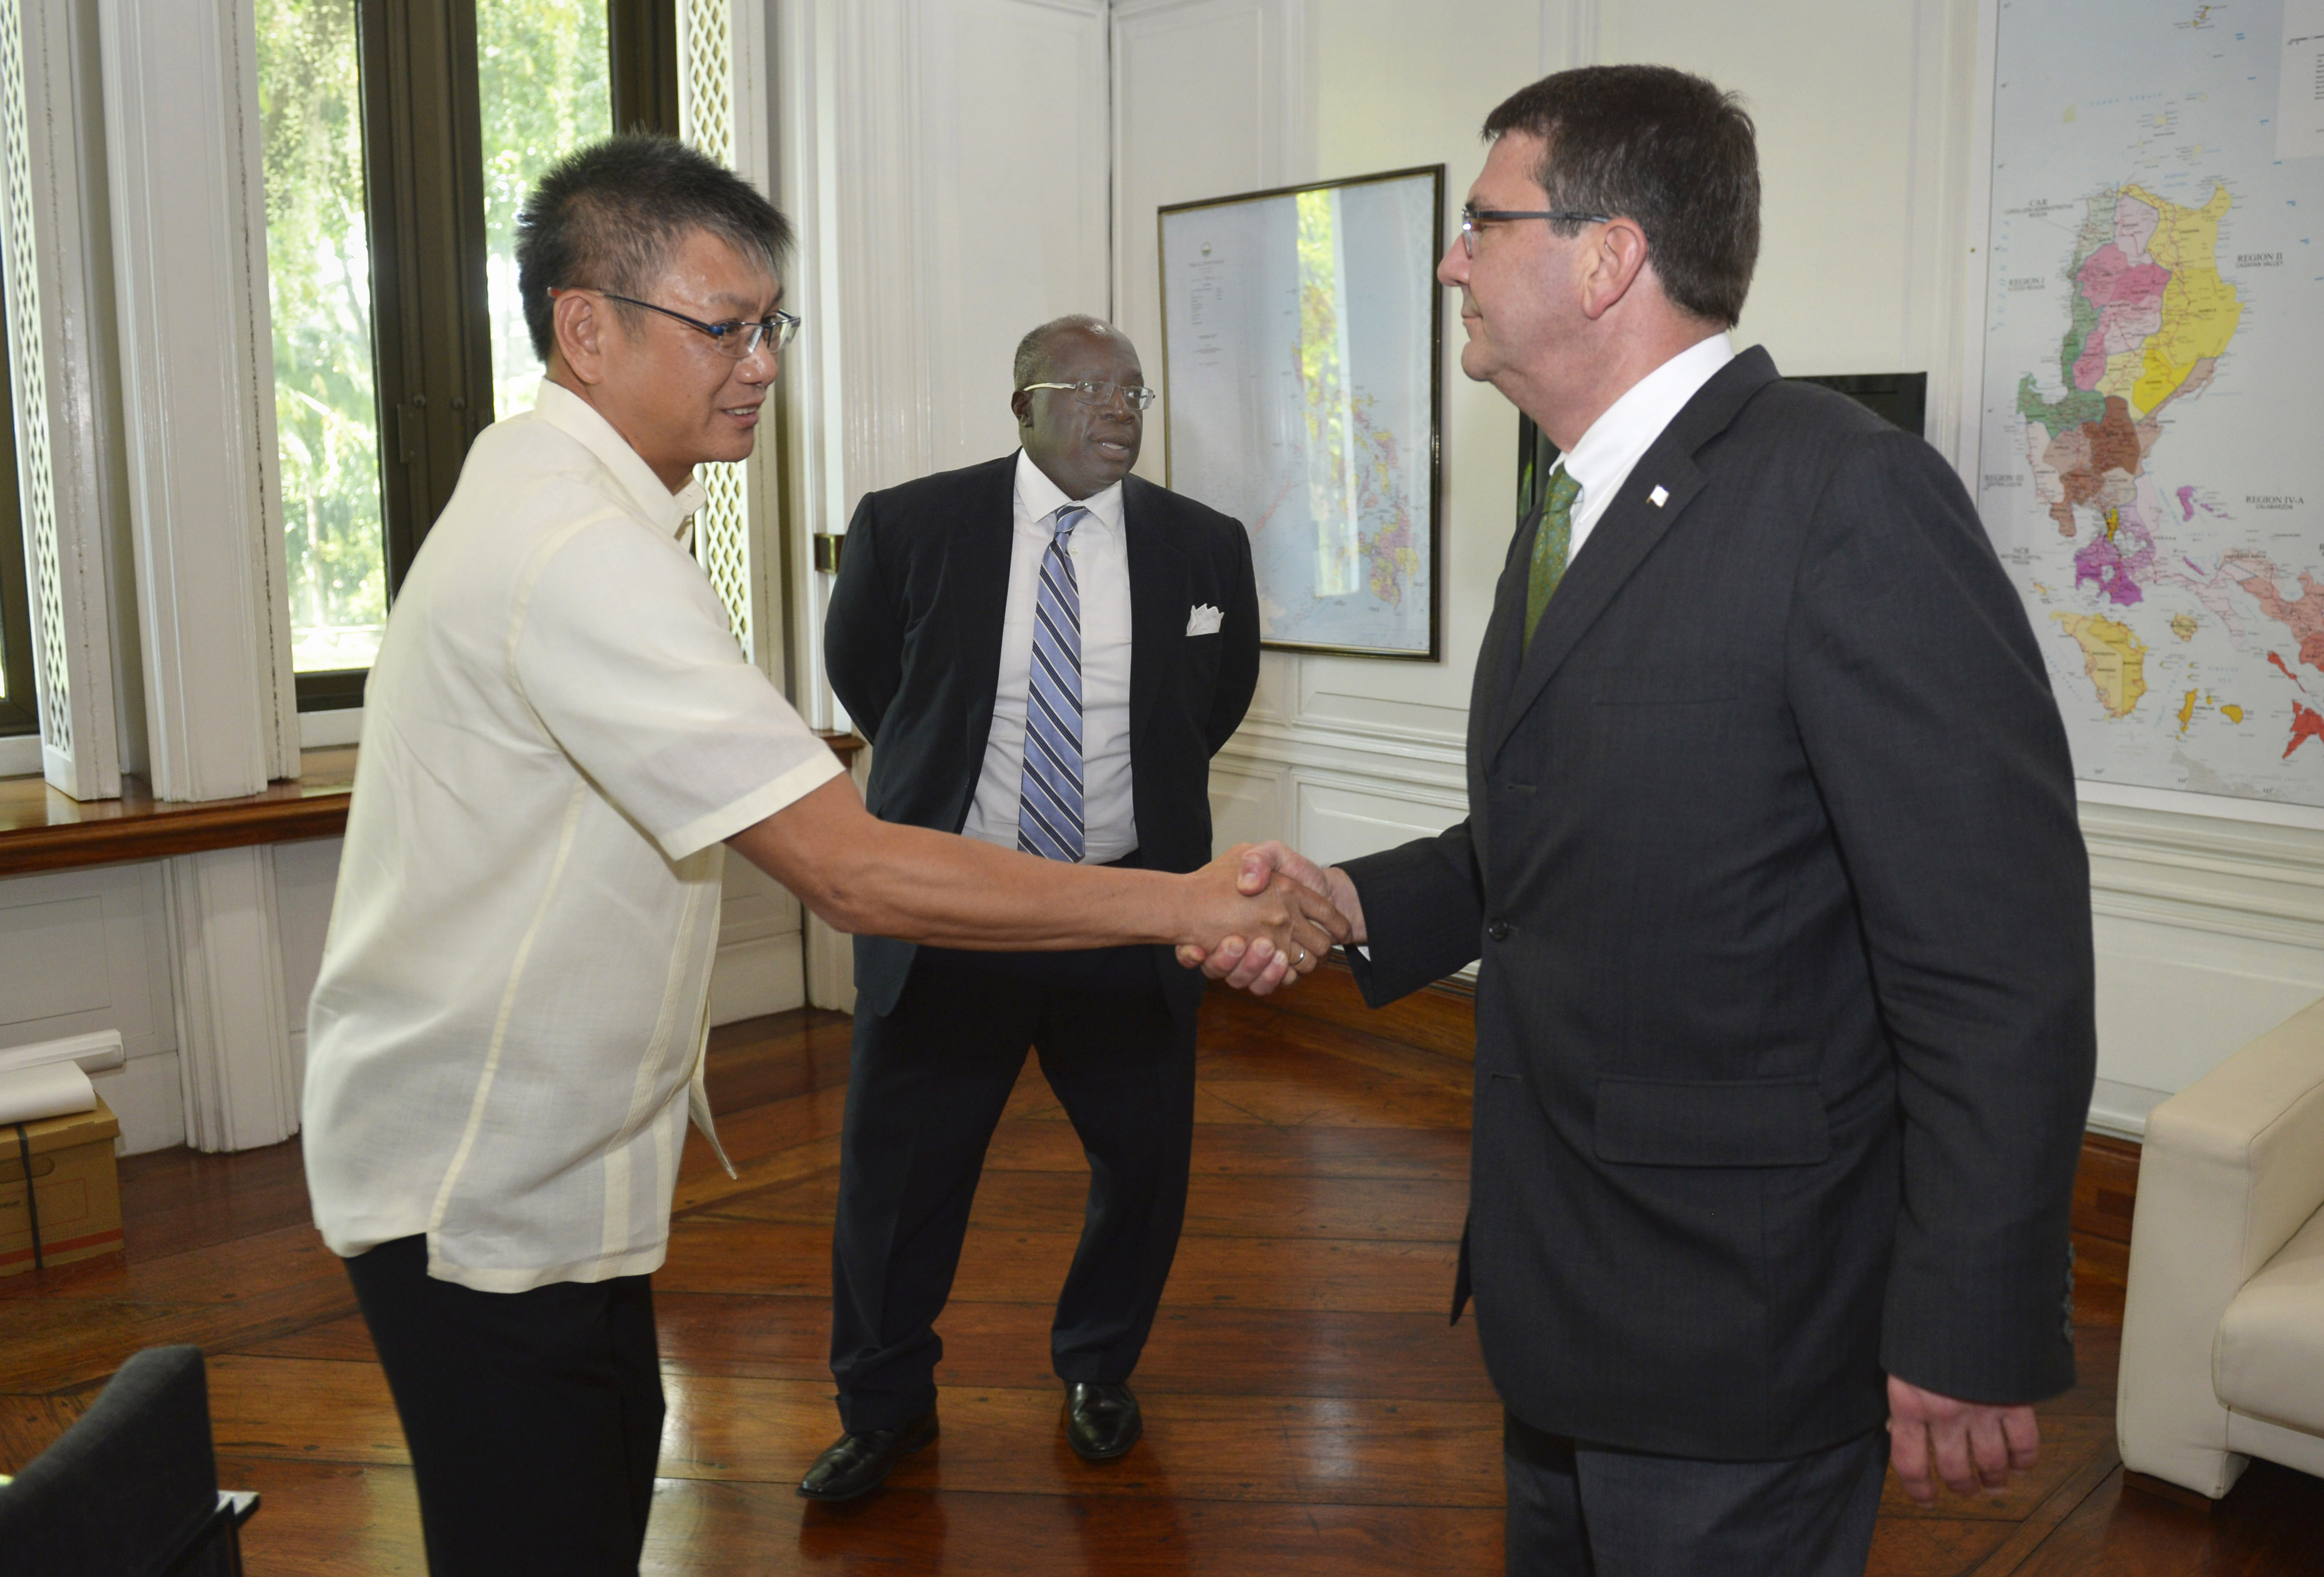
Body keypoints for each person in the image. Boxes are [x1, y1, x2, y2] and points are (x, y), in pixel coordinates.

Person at [301, 137, 1342, 1577]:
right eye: (721, 327)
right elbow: (852, 867)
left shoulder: (561, 500)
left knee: (587, 1513)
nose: (759, 362)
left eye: (771, 325)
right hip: (481, 1191)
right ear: (583, 328)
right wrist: (1183, 901)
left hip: (548, 1184)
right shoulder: (577, 549)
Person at [1197, 66, 2096, 1574]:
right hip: (1564, 1308)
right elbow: (1579, 829)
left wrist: (1971, 1314)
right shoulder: (1570, 500)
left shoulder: (1849, 501)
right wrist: (1349, 900)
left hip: (1741, 1328)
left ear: (1606, 257)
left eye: (1483, 222)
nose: (1448, 259)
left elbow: (1995, 958)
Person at [801, 314, 1262, 1500]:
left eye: (1137, 394)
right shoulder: (908, 527)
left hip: (1127, 913)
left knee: (1144, 1162)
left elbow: (1211, 705)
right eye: (1093, 390)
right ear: (1022, 403)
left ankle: (1100, 1366)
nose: (1122, 412)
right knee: (899, 1178)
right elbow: (877, 685)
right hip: (958, 915)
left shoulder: (1205, 547)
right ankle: (886, 1405)